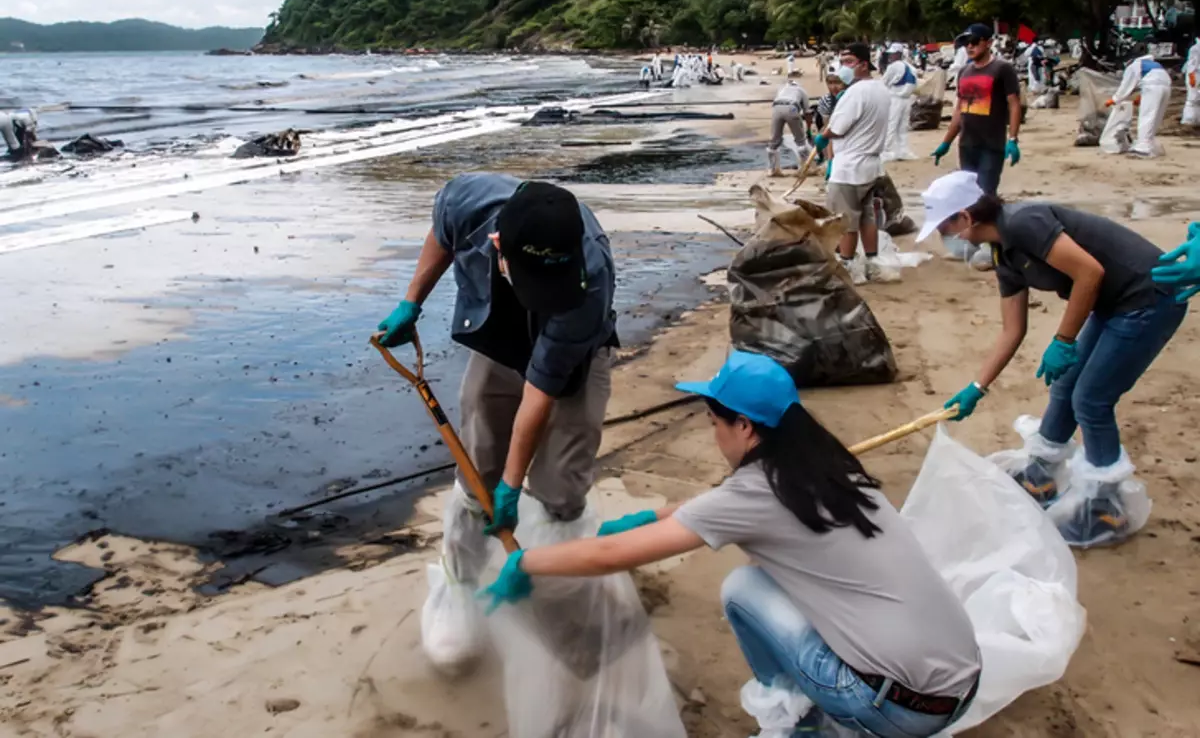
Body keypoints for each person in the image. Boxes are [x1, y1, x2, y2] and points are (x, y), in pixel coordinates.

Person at [480, 351, 982, 738]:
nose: (714, 435)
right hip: (959, 686)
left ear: (743, 426)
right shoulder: (829, 466)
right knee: (776, 579)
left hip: (895, 708)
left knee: (743, 588)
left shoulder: (756, 491)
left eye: (715, 423)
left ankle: (793, 719)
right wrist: (649, 515)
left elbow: (613, 556)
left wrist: (527, 563)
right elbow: (732, 503)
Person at [375, 173, 618, 668]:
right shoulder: (469, 200)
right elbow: (443, 233)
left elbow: (543, 388)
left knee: (561, 487)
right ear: (498, 245)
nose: (543, 293)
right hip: (500, 345)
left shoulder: (589, 282)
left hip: (571, 362)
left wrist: (511, 485)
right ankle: (456, 594)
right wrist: (412, 301)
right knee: (475, 474)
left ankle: (557, 592)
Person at [919, 171, 1188, 547]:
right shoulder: (1004, 255)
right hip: (1112, 304)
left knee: (1091, 399)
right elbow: (1012, 330)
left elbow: (1089, 273)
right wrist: (976, 387)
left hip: (1147, 297)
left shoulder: (1024, 223)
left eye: (946, 227)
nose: (945, 237)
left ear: (966, 217)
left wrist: (1064, 340)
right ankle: (1040, 476)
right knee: (1065, 388)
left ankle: (1108, 507)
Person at [814, 43, 896, 285]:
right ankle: (872, 262)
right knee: (867, 217)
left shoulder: (856, 92)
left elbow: (837, 128)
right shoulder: (880, 89)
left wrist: (823, 137)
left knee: (844, 219)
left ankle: (848, 264)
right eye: (842, 61)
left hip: (850, 168)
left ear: (863, 63)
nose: (844, 67)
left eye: (849, 61)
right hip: (871, 166)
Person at [931, 23, 1021, 197]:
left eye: (974, 41)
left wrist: (1013, 139)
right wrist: (946, 142)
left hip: (991, 145)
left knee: (986, 195)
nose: (969, 46)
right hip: (967, 145)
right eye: (966, 43)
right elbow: (959, 109)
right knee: (969, 196)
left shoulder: (1002, 69)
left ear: (988, 43)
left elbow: (1014, 103)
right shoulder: (964, 71)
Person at [1108, 55, 1172, 157]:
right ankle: (1150, 143)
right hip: (1166, 85)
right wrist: (1141, 97)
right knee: (1156, 116)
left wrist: (1115, 99)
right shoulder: (1154, 64)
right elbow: (1152, 80)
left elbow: (1126, 85)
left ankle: (1143, 147)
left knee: (1147, 115)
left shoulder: (1135, 65)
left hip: (1152, 86)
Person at [881, 43, 918, 161]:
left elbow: (884, 82)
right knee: (902, 126)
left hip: (895, 98)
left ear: (898, 54)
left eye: (892, 54)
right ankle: (902, 150)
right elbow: (915, 84)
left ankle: (886, 151)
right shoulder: (911, 67)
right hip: (907, 99)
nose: (890, 56)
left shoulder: (893, 67)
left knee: (891, 125)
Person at [768, 80, 811, 176]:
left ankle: (773, 169)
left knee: (774, 141)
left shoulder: (781, 89)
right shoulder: (801, 90)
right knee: (800, 141)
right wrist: (808, 128)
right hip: (792, 107)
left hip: (777, 108)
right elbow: (807, 112)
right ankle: (805, 168)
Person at [1183, 38, 1200, 127]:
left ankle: (1197, 120)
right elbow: (1191, 63)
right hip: (1194, 75)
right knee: (1192, 99)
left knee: (1198, 99)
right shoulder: (1195, 48)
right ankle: (1189, 119)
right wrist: (1191, 76)